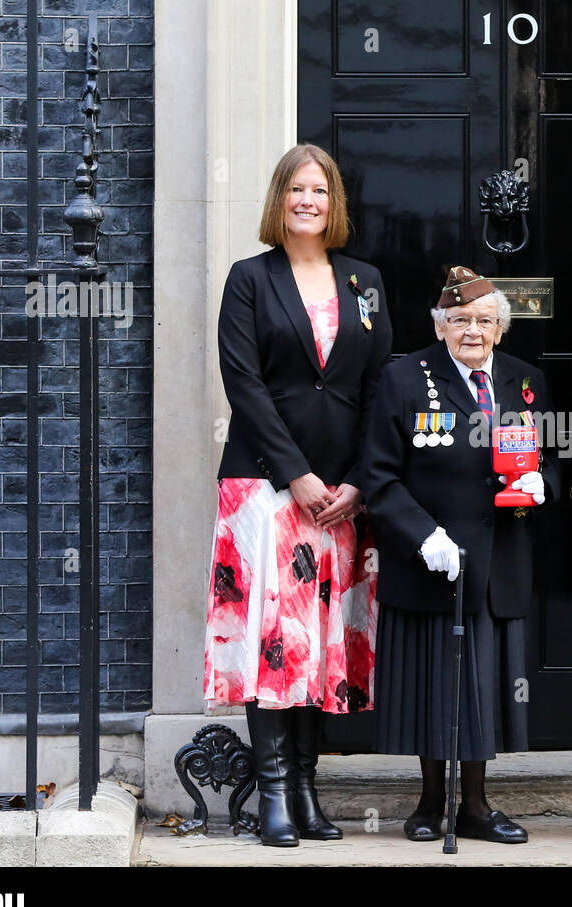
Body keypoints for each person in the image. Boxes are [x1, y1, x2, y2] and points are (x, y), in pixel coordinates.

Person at [203, 143, 393, 847]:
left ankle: (310, 790)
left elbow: (379, 386)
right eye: (296, 190)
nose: (307, 200)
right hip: (265, 488)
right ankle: (274, 793)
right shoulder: (249, 280)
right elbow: (243, 384)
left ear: (333, 201)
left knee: (318, 645)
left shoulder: (365, 282)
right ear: (278, 201)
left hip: (341, 497)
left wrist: (357, 480)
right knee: (271, 642)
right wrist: (300, 475)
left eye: (319, 190)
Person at [361, 266, 559, 844]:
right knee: (434, 683)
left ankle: (473, 804)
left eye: (483, 320)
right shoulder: (404, 378)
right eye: (459, 320)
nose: (471, 331)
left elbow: (547, 453)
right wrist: (423, 536)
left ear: (500, 327)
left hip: (499, 562)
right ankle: (429, 804)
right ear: (441, 326)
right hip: (432, 561)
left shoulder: (525, 382)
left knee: (484, 687)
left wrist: (544, 481)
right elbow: (380, 476)